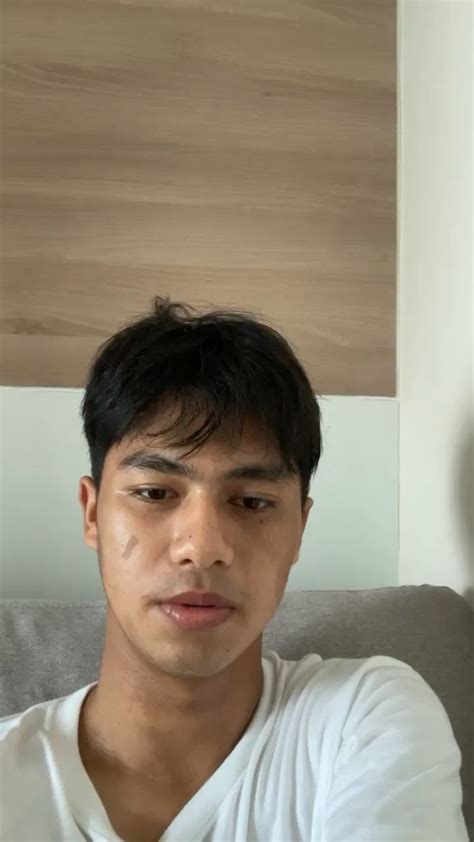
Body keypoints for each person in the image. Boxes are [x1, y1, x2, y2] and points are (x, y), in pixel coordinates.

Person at [0, 296, 468, 842]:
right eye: (154, 492)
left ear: (299, 530)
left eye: (251, 502)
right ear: (92, 514)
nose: (201, 549)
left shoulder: (362, 720)